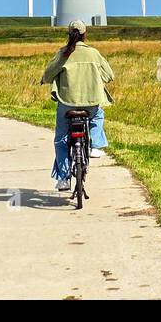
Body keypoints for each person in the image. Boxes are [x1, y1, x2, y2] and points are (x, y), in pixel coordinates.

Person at [40, 19, 113, 192]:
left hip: (67, 103)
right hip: (92, 102)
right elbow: (109, 75)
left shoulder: (63, 53)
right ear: (84, 34)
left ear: (69, 34)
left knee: (61, 140)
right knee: (97, 116)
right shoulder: (94, 53)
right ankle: (94, 146)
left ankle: (64, 178)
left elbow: (49, 73)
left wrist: (44, 79)